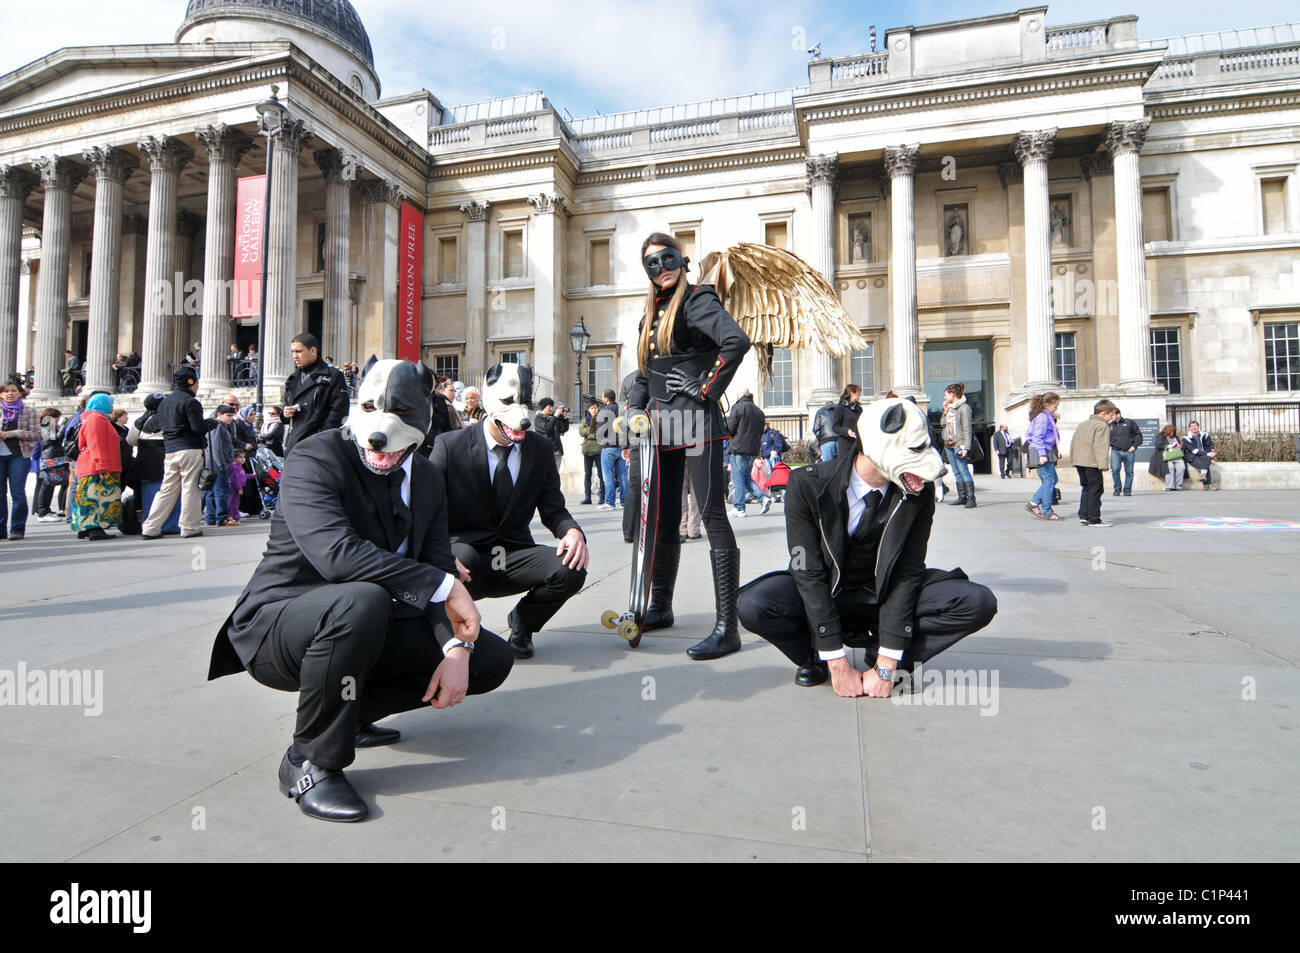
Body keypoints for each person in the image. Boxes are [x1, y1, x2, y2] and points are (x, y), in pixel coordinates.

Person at [207, 358, 512, 822]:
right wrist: (444, 584)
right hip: (280, 625)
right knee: (361, 599)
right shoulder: (315, 457)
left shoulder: (428, 478)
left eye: (402, 413)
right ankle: (310, 761)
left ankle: (349, 715)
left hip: (364, 621)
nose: (379, 435)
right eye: (370, 407)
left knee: (489, 660)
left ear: (424, 421)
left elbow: (430, 563)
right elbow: (338, 555)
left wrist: (454, 647)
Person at [738, 396, 997, 693]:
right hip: (827, 593)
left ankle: (888, 654)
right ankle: (816, 657)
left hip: (883, 596)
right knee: (754, 605)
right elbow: (806, 572)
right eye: (914, 450)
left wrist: (887, 664)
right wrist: (836, 660)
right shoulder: (806, 485)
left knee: (977, 602)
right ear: (877, 447)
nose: (932, 470)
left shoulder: (918, 494)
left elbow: (908, 572)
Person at [625, 231, 751, 660]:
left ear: (681, 258)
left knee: (713, 514)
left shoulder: (698, 298)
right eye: (652, 264)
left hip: (697, 423)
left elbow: (736, 341)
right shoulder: (649, 315)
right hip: (660, 427)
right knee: (663, 518)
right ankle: (660, 606)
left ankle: (726, 627)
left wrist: (705, 388)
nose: (662, 268)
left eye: (668, 258)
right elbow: (644, 374)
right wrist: (632, 408)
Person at [430, 362, 589, 660]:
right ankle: (453, 634)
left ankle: (523, 622)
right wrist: (439, 552)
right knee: (457, 558)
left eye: (525, 403)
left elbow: (553, 508)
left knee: (572, 566)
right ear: (488, 400)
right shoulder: (449, 446)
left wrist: (571, 531)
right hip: (466, 557)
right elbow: (427, 509)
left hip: (515, 555)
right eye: (507, 402)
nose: (521, 418)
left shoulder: (539, 450)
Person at [141, 366, 218, 539]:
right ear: (191, 383)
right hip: (189, 449)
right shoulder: (191, 402)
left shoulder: (165, 403)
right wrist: (211, 423)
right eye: (196, 383)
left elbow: (151, 426)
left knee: (167, 489)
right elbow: (198, 427)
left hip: (170, 450)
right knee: (191, 488)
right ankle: (189, 527)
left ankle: (150, 527)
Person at [282, 333, 349, 456]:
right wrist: (285, 412)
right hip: (294, 443)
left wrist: (319, 436)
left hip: (319, 445)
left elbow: (339, 412)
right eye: (293, 351)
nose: (294, 356)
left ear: (313, 351)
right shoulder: (293, 379)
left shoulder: (333, 376)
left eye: (299, 351)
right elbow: (285, 413)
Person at [70, 393, 123, 540]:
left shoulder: (93, 418)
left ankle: (85, 528)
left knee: (88, 497)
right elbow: (96, 444)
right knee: (95, 497)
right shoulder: (96, 419)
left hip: (92, 465)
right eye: (110, 403)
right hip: (95, 466)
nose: (112, 406)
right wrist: (101, 466)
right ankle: (94, 529)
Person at [127, 394, 180, 535]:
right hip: (166, 460)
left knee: (149, 497)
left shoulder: (140, 421)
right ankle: (171, 524)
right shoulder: (172, 418)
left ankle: (150, 524)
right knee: (171, 494)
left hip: (146, 463)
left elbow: (131, 440)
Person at [1, 381, 39, 541]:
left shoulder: (29, 411)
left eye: (13, 390)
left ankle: (17, 528)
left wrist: (12, 433)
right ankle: (1, 528)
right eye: (6, 391)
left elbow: (37, 434)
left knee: (17, 492)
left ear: (20, 393)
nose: (10, 393)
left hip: (19, 456)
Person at [725, 389, 771, 517]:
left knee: (738, 479)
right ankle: (763, 498)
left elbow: (730, 428)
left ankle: (739, 507)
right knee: (746, 477)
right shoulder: (759, 412)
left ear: (739, 395)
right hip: (753, 450)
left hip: (738, 448)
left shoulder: (738, 408)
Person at [1072, 399, 1118, 527]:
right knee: (1096, 489)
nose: (1112, 418)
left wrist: (1074, 460)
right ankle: (1094, 518)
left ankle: (1084, 515)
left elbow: (1074, 442)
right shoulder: (1102, 425)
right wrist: (1103, 464)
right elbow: (1101, 446)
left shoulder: (1083, 424)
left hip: (1080, 461)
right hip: (1092, 462)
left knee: (1086, 488)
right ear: (1103, 414)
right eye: (1111, 415)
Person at [1025, 391, 1064, 521]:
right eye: (1055, 406)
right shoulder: (1043, 417)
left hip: (1045, 450)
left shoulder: (1044, 416)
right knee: (1049, 481)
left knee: (1052, 479)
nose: (1056, 409)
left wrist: (1057, 451)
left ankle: (1034, 503)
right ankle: (1046, 510)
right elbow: (1037, 437)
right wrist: (1042, 454)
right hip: (1042, 451)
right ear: (1046, 404)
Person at [940, 382, 977, 508]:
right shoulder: (950, 408)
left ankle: (971, 498)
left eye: (946, 394)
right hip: (948, 443)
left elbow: (967, 429)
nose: (945, 397)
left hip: (958, 444)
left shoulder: (964, 408)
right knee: (956, 472)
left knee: (963, 470)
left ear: (952, 394)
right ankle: (962, 497)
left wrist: (966, 447)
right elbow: (943, 424)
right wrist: (945, 411)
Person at [204, 404, 237, 527]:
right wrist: (221, 464)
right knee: (221, 491)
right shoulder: (217, 426)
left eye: (232, 416)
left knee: (212, 491)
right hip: (218, 462)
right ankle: (222, 517)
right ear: (219, 415)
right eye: (228, 415)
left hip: (214, 461)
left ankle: (211, 517)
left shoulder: (219, 426)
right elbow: (216, 447)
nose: (230, 419)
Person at [35, 407, 69, 521]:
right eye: (57, 417)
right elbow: (54, 440)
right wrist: (64, 425)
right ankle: (42, 512)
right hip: (50, 457)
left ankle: (45, 510)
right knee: (47, 485)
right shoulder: (46, 426)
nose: (59, 420)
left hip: (52, 457)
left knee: (49, 485)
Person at [597, 388, 626, 510]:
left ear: (606, 398)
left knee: (608, 476)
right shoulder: (622, 410)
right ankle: (625, 502)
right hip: (622, 446)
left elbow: (599, 430)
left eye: (603, 397)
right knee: (623, 475)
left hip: (608, 447)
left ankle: (610, 502)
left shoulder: (603, 411)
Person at [1108, 407, 1143, 497]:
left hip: (1129, 451)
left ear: (1118, 414)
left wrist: (1134, 446)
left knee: (1129, 472)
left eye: (1112, 415)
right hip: (1116, 451)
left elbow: (1138, 435)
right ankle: (1117, 488)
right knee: (1115, 469)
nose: (1111, 417)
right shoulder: (1110, 426)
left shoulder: (1129, 422)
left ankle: (1127, 490)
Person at [533, 397, 569, 474]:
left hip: (557, 452)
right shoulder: (539, 418)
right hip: (546, 452)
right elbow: (547, 428)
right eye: (550, 406)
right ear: (544, 406)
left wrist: (565, 418)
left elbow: (564, 429)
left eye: (552, 407)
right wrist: (555, 416)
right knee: (546, 475)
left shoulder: (552, 418)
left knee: (555, 475)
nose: (552, 409)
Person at [1149, 424, 1187, 491]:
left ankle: (1178, 486)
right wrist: (1170, 446)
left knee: (1181, 467)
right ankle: (1170, 486)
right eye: (1170, 433)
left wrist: (1180, 446)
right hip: (1166, 456)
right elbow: (1159, 446)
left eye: (1172, 432)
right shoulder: (1160, 436)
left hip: (1176, 456)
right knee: (1170, 468)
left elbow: (1181, 446)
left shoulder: (1176, 438)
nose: (1171, 434)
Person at [578, 401, 603, 504]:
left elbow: (600, 433)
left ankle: (602, 496)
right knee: (587, 474)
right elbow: (581, 432)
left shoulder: (602, 420)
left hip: (599, 450)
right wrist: (591, 431)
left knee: (601, 474)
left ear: (598, 409)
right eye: (592, 408)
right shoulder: (585, 420)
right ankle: (587, 496)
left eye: (595, 408)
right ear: (588, 409)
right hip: (587, 450)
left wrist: (589, 433)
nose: (594, 410)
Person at [831, 384, 862, 460]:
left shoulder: (859, 409)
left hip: (857, 444)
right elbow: (835, 427)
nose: (859, 395)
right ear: (852, 393)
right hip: (845, 445)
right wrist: (846, 431)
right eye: (858, 393)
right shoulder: (840, 408)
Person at [1181, 421, 1216, 488]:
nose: (1194, 427)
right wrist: (1207, 454)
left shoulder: (1205, 435)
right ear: (1189, 428)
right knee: (1206, 462)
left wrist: (1211, 457)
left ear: (1198, 426)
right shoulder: (1185, 438)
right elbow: (1194, 451)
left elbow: (1209, 446)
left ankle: (1204, 477)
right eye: (1192, 426)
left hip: (1203, 455)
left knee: (1207, 459)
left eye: (1195, 426)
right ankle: (1207, 485)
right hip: (1191, 456)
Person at [227, 449, 248, 522]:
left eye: (244, 457)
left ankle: (235, 516)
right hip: (234, 488)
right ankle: (234, 516)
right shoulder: (235, 467)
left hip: (237, 487)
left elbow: (242, 476)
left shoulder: (239, 466)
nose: (243, 459)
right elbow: (235, 479)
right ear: (234, 458)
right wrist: (239, 488)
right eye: (240, 457)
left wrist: (252, 475)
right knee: (233, 503)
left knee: (235, 503)